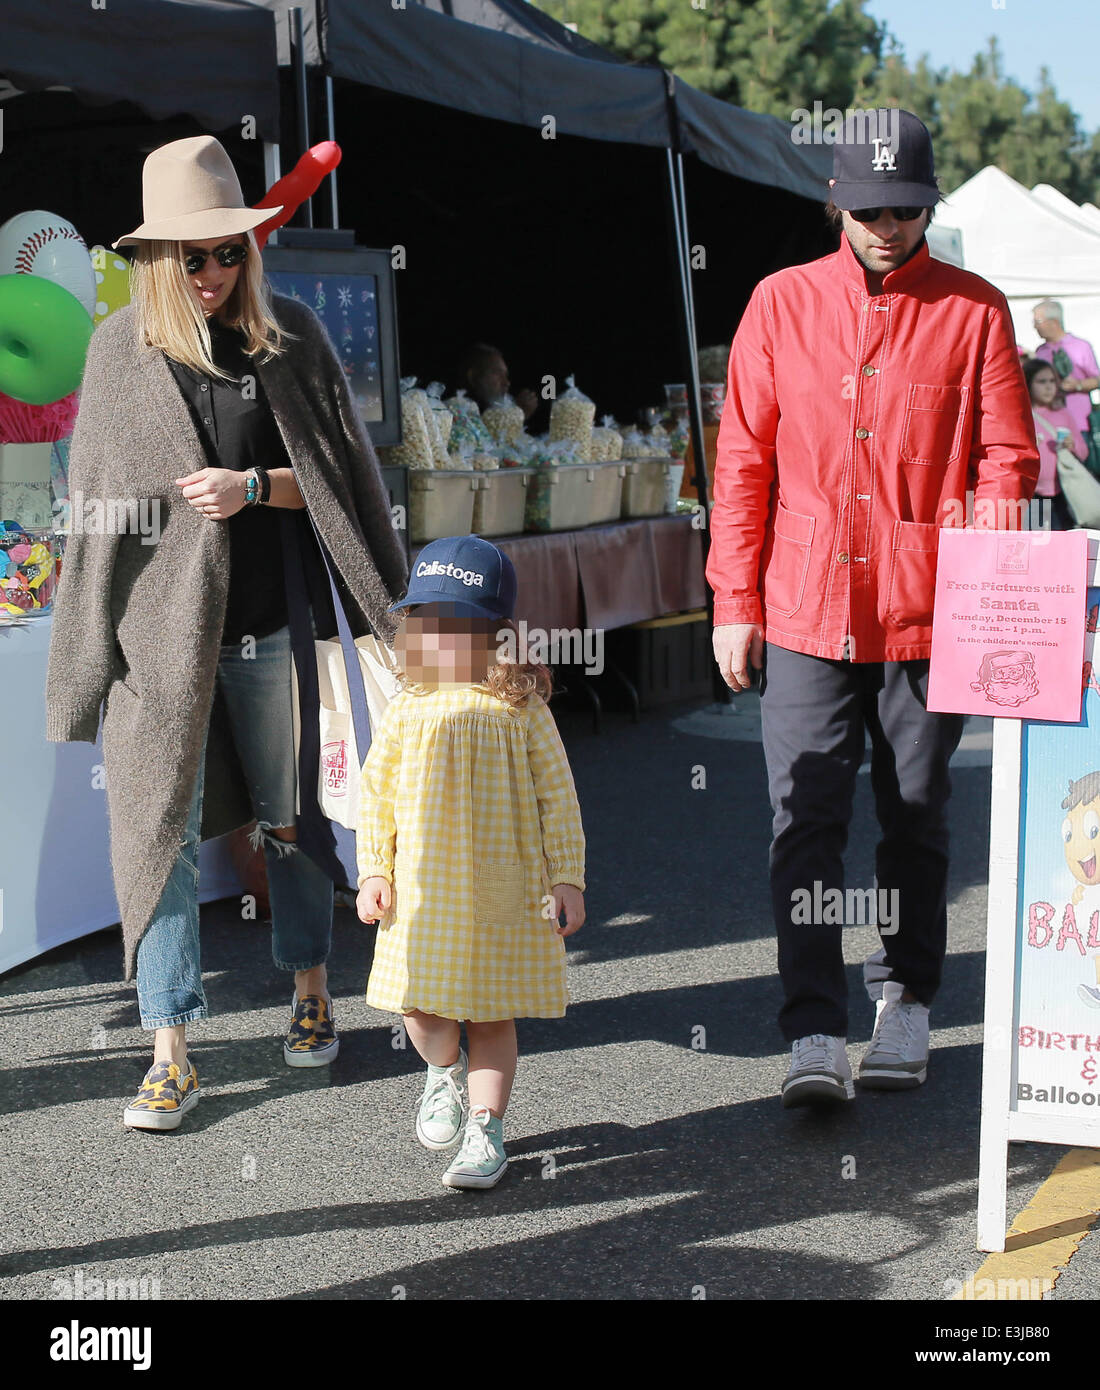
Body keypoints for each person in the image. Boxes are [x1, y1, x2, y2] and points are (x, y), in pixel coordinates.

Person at [44, 135, 408, 1130]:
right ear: (155, 259)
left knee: (289, 824)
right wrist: (85, 661)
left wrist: (252, 488)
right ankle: (169, 1050)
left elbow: (342, 485)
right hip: (156, 646)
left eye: (227, 252)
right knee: (153, 838)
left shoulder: (289, 336)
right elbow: (94, 516)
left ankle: (310, 989)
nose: (211, 272)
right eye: (191, 255)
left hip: (266, 631)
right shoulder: (117, 352)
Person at [707, 109, 1039, 1108]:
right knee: (803, 819)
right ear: (834, 203)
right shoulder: (779, 303)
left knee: (917, 815)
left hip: (932, 612)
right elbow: (743, 461)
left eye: (904, 210)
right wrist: (733, 599)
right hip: (803, 606)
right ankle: (812, 1027)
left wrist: (990, 571)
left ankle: (905, 996)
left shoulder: (975, 311)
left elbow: (1008, 456)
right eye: (868, 210)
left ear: (928, 205)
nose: (887, 228)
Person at [355, 536, 586, 1188]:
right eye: (427, 621)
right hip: (420, 892)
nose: (439, 636)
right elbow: (375, 795)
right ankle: (441, 1073)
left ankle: (486, 1130)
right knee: (417, 1007)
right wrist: (374, 870)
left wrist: (567, 876)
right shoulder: (408, 707)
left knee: (491, 1013)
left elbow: (557, 796)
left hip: (503, 891)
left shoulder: (521, 707)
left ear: (495, 634)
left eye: (457, 624)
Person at [1024, 356, 1088, 530]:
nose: (1049, 387)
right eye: (1042, 381)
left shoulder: (1063, 414)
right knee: (1039, 542)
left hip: (1065, 494)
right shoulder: (1022, 415)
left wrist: (1072, 445)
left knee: (1064, 539)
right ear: (1028, 383)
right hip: (1032, 496)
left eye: (1052, 381)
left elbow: (1083, 452)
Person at [1033, 300, 1100, 460]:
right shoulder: (1040, 352)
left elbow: (1097, 379)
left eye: (1038, 321)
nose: (1035, 326)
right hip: (1049, 425)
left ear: (1054, 322)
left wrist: (1078, 385)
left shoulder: (1081, 346)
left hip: (1080, 423)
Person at [455, 342, 539, 424]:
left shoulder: (496, 413)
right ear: (473, 376)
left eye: (506, 375)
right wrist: (515, 416)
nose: (507, 383)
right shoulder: (453, 414)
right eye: (497, 373)